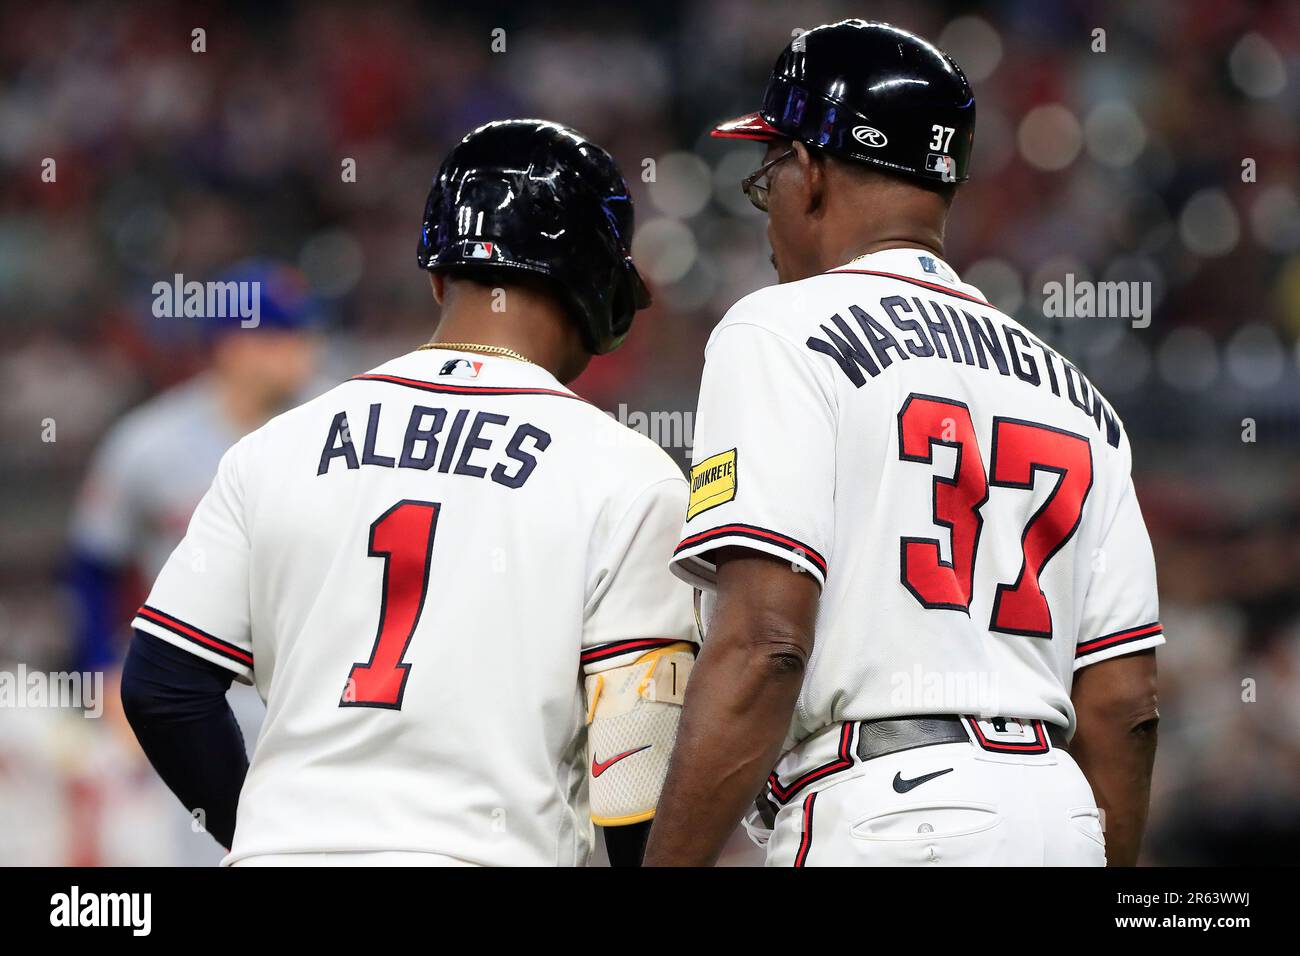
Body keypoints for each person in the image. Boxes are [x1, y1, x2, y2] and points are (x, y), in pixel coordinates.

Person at [645, 20, 1162, 867]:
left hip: (888, 815)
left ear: (809, 173)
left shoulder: (780, 328)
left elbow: (765, 642)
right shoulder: (1081, 399)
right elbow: (1125, 708)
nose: (764, 198)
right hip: (1060, 816)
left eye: (767, 171)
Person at [121, 119, 698, 866]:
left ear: (436, 276)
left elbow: (162, 687)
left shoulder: (276, 447)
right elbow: (632, 766)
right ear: (599, 286)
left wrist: (265, 836)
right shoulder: (625, 473)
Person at [68, 259, 322, 864]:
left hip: (309, 684)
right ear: (231, 346)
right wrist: (102, 668)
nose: (302, 350)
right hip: (198, 690)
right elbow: (91, 563)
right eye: (281, 335)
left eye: (304, 333)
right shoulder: (150, 443)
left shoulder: (337, 428)